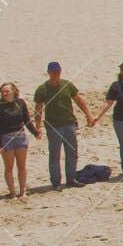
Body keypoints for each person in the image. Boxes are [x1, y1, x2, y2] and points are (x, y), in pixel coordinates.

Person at [32, 61, 96, 190]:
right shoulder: (42, 89)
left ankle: (71, 179)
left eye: (58, 71)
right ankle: (56, 182)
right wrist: (37, 127)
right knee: (55, 155)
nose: (56, 74)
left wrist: (88, 115)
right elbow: (38, 109)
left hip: (69, 124)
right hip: (53, 126)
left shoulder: (67, 85)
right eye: (53, 72)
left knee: (72, 153)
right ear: (49, 73)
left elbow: (79, 101)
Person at [0, 83, 36, 199]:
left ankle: (22, 192)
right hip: (6, 138)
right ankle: (13, 193)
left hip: (20, 136)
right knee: (9, 167)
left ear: (14, 91)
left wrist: (35, 133)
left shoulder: (20, 103)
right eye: (2, 92)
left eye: (7, 91)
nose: (4, 94)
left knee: (22, 166)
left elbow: (27, 120)